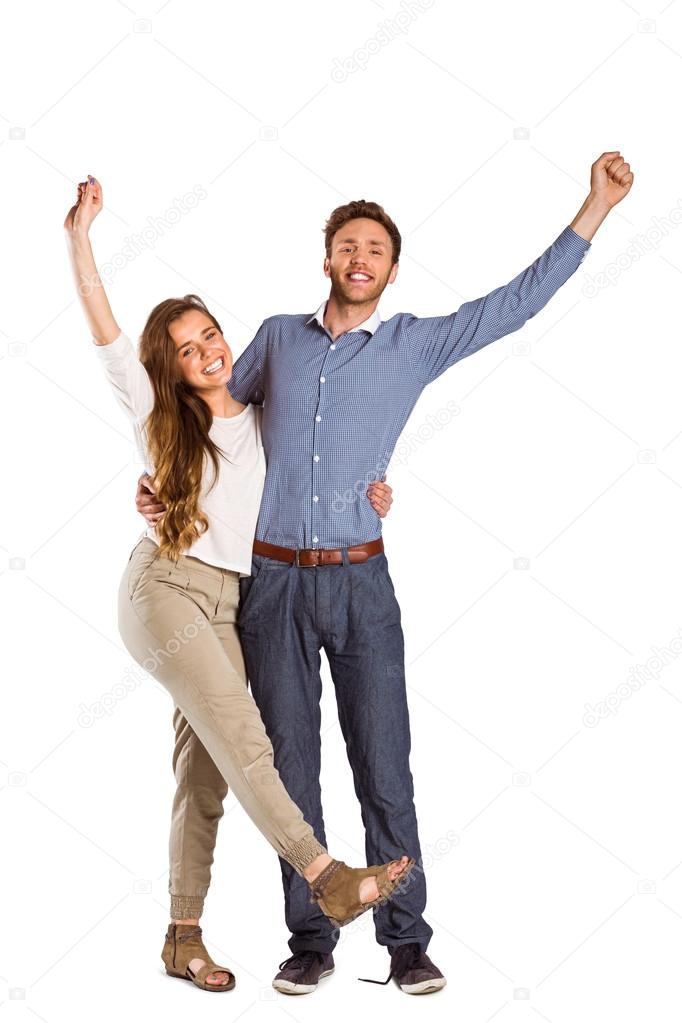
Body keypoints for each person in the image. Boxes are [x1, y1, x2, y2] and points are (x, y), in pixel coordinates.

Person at [137, 151, 634, 995]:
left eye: (375, 249)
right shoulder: (272, 341)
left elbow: (512, 305)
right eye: (347, 245)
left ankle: (407, 942)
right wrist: (163, 483)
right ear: (326, 259)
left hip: (363, 582)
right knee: (289, 765)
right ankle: (313, 939)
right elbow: (214, 414)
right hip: (272, 584)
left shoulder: (414, 345)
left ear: (391, 269)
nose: (360, 258)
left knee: (385, 763)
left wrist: (597, 206)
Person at [63, 175, 414, 994]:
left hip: (234, 599)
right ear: (170, 365)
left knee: (205, 770)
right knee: (248, 736)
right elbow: (106, 331)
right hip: (165, 590)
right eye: (185, 347)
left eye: (209, 335)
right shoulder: (158, 411)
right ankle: (326, 874)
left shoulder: (262, 409)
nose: (204, 351)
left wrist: (372, 490)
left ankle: (181, 936)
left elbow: (321, 458)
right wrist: (80, 238)